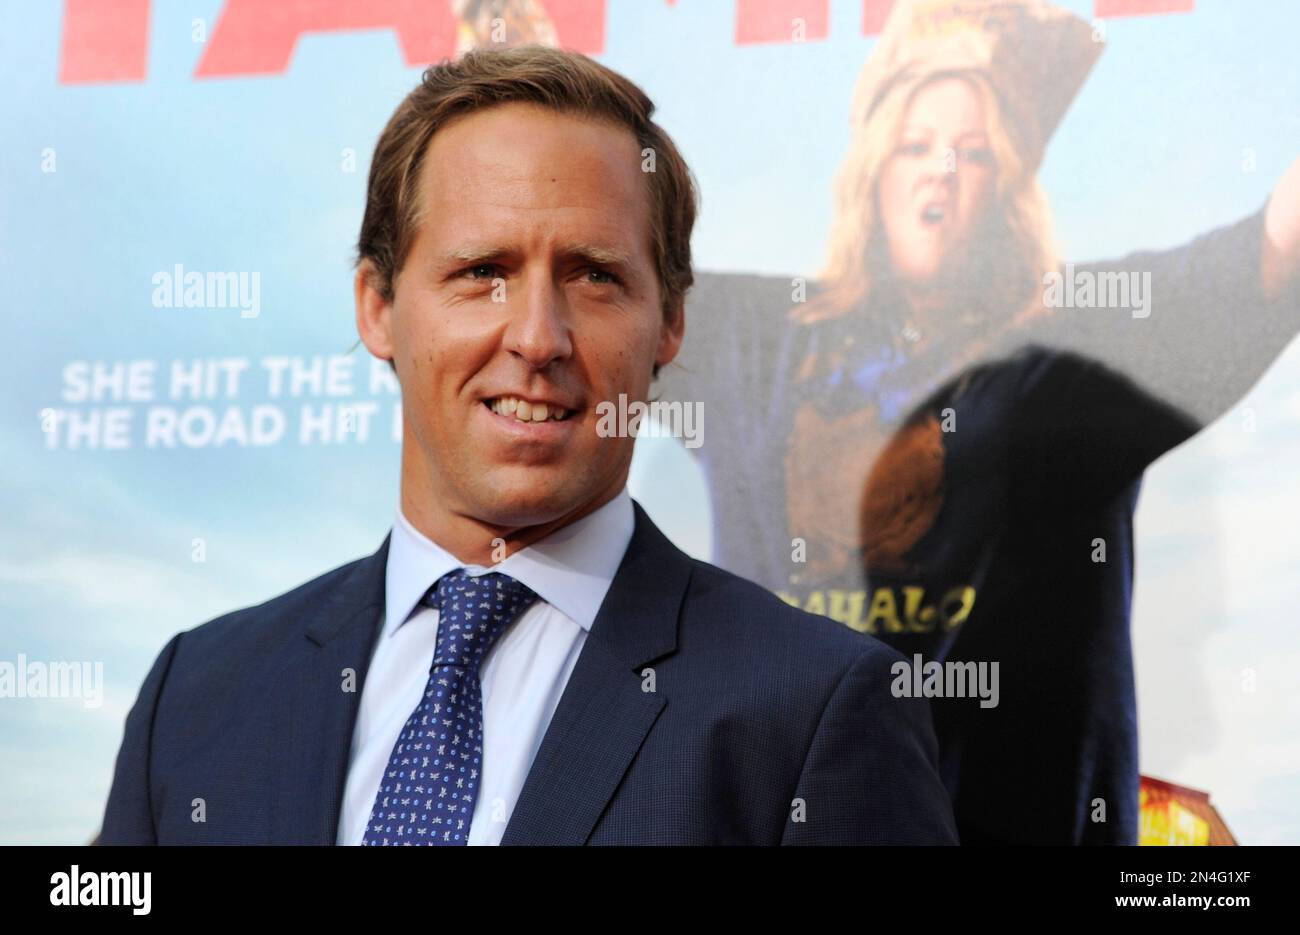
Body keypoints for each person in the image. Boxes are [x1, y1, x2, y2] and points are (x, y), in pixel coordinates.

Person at [97, 46, 958, 846]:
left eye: (595, 275)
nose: (538, 336)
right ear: (377, 306)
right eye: (482, 272)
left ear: (671, 324)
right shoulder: (196, 695)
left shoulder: (811, 709)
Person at [663, 0, 1300, 843]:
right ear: (873, 170)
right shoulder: (760, 339)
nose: (943, 171)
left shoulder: (1074, 346)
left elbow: (1275, 249)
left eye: (974, 151)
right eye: (916, 146)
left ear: (1008, 181)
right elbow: (577, 275)